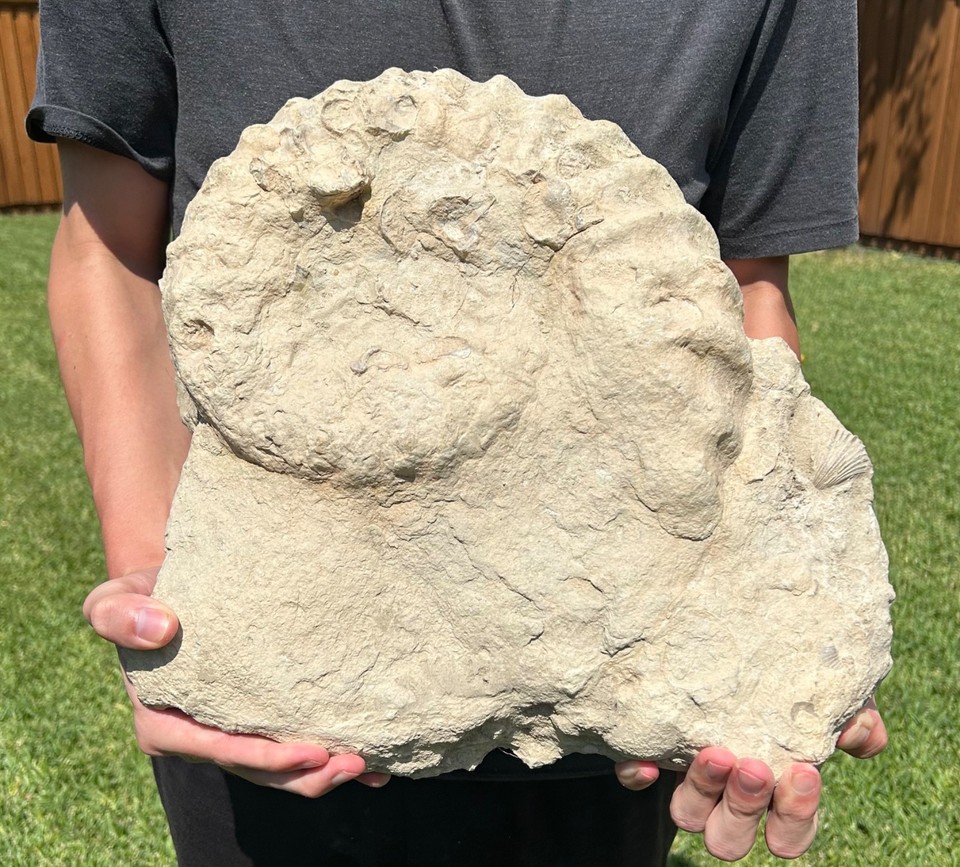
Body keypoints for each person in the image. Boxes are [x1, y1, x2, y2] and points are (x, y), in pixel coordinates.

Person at [28, 1, 887, 864]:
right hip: (280, 673)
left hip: (614, 691)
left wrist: (780, 583)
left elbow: (749, 288)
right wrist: (158, 586)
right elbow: (106, 242)